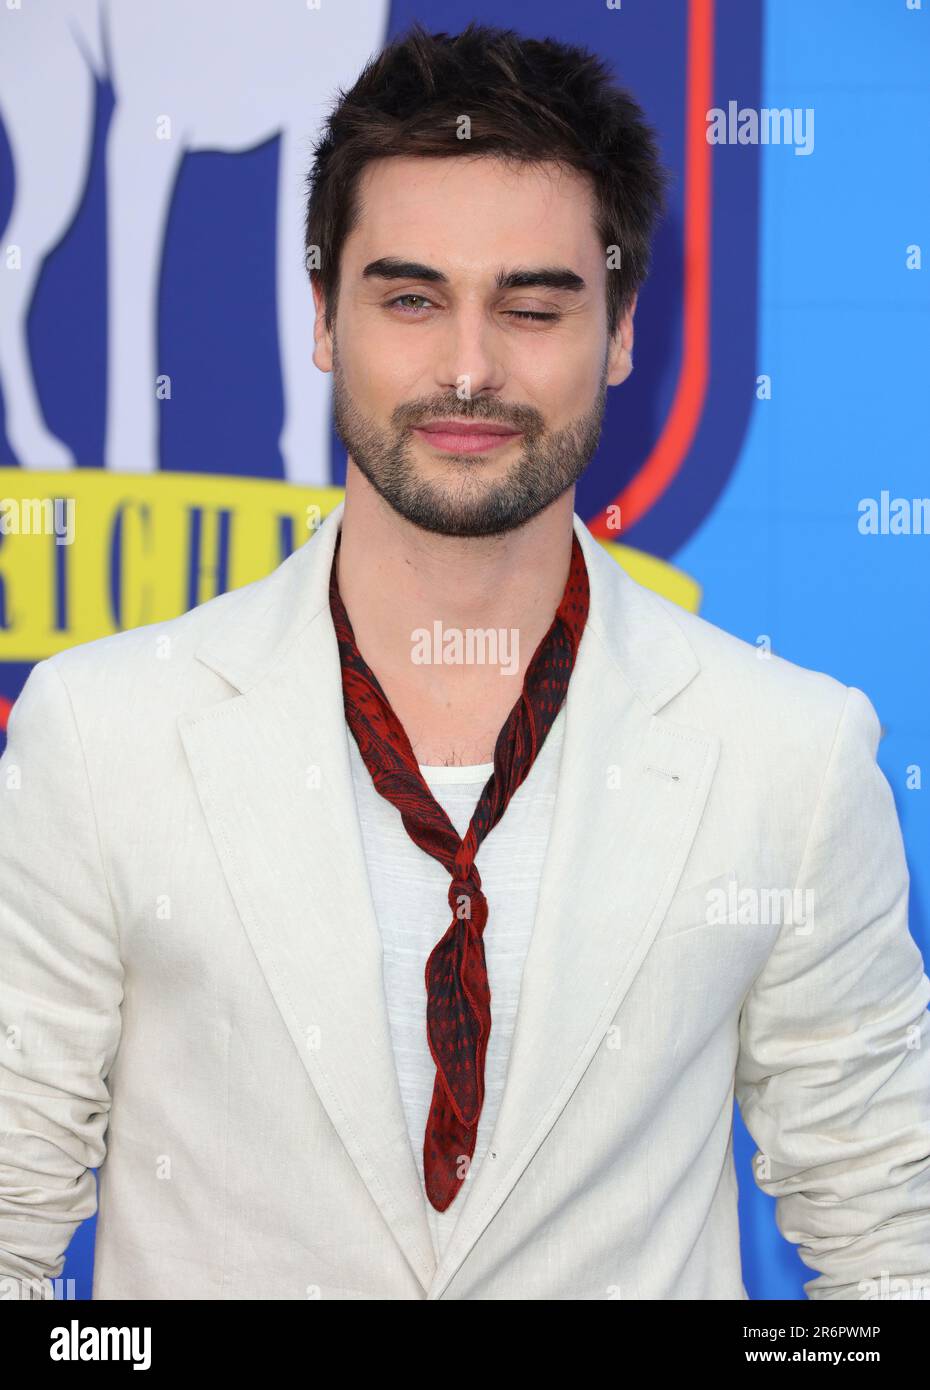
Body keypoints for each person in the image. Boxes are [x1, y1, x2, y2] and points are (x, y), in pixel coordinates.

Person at [1, 21, 928, 1302]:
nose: (471, 368)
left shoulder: (791, 755)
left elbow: (893, 1233)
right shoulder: (101, 734)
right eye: (411, 297)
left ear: (618, 334)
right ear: (323, 315)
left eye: (534, 305)